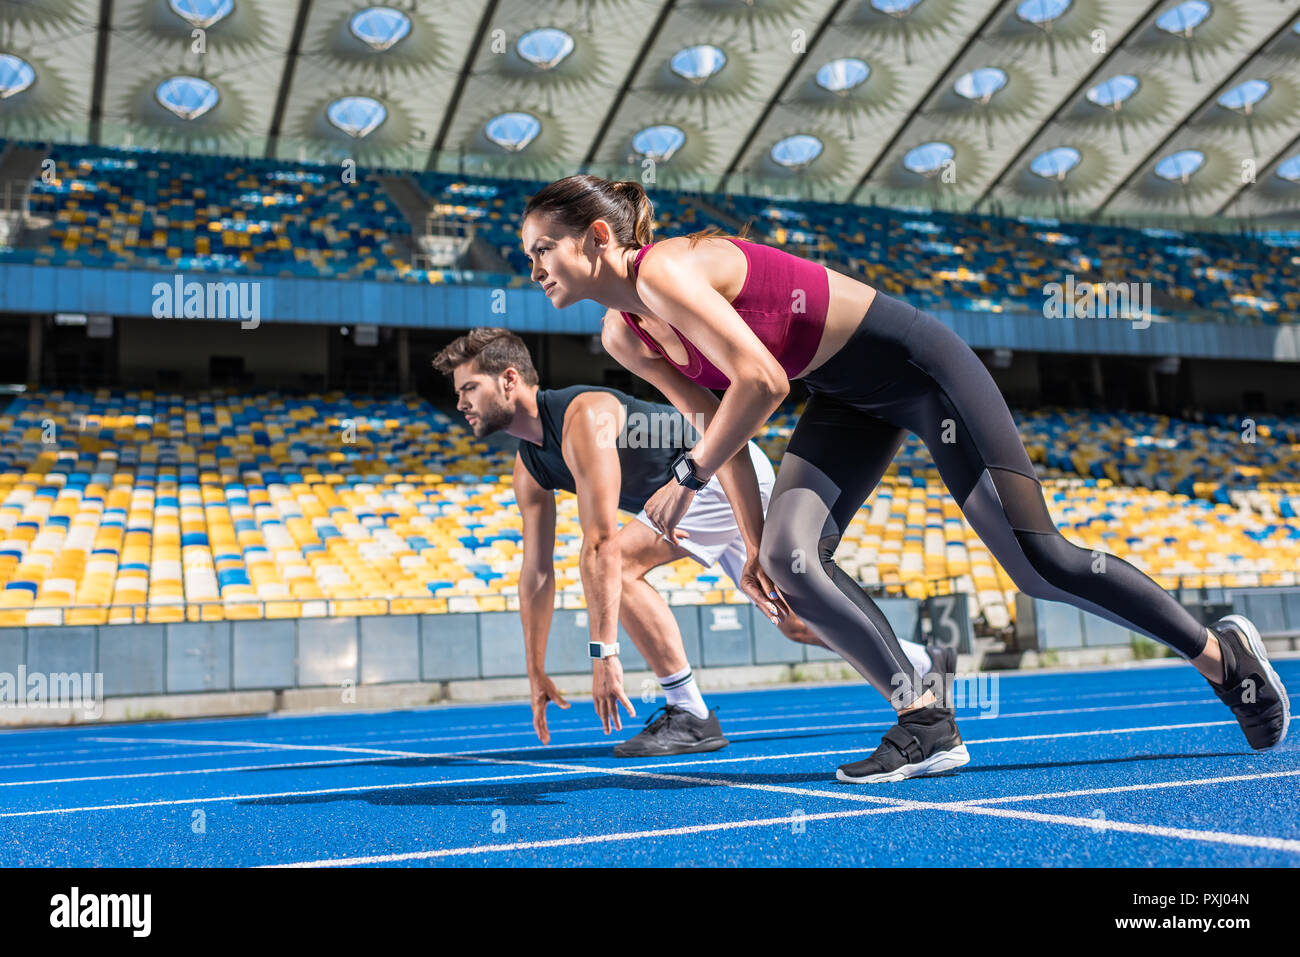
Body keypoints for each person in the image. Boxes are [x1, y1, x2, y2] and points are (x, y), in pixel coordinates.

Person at [517, 174, 1290, 783]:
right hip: (847, 397)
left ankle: (1220, 656)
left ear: (593, 238)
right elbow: (716, 415)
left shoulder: (665, 271)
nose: (534, 267)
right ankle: (925, 718)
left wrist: (687, 479)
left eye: (543, 249)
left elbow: (760, 382)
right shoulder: (623, 332)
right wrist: (752, 546)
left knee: (1036, 561)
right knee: (790, 559)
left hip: (920, 369)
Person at [432, 329, 934, 756]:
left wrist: (603, 653)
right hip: (691, 499)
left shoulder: (583, 416)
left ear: (510, 380)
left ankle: (690, 712)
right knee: (796, 622)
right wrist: (536, 671)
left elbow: (603, 541)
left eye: (469, 388)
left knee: (620, 564)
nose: (460, 404)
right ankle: (922, 663)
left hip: (715, 473)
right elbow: (536, 575)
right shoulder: (529, 467)